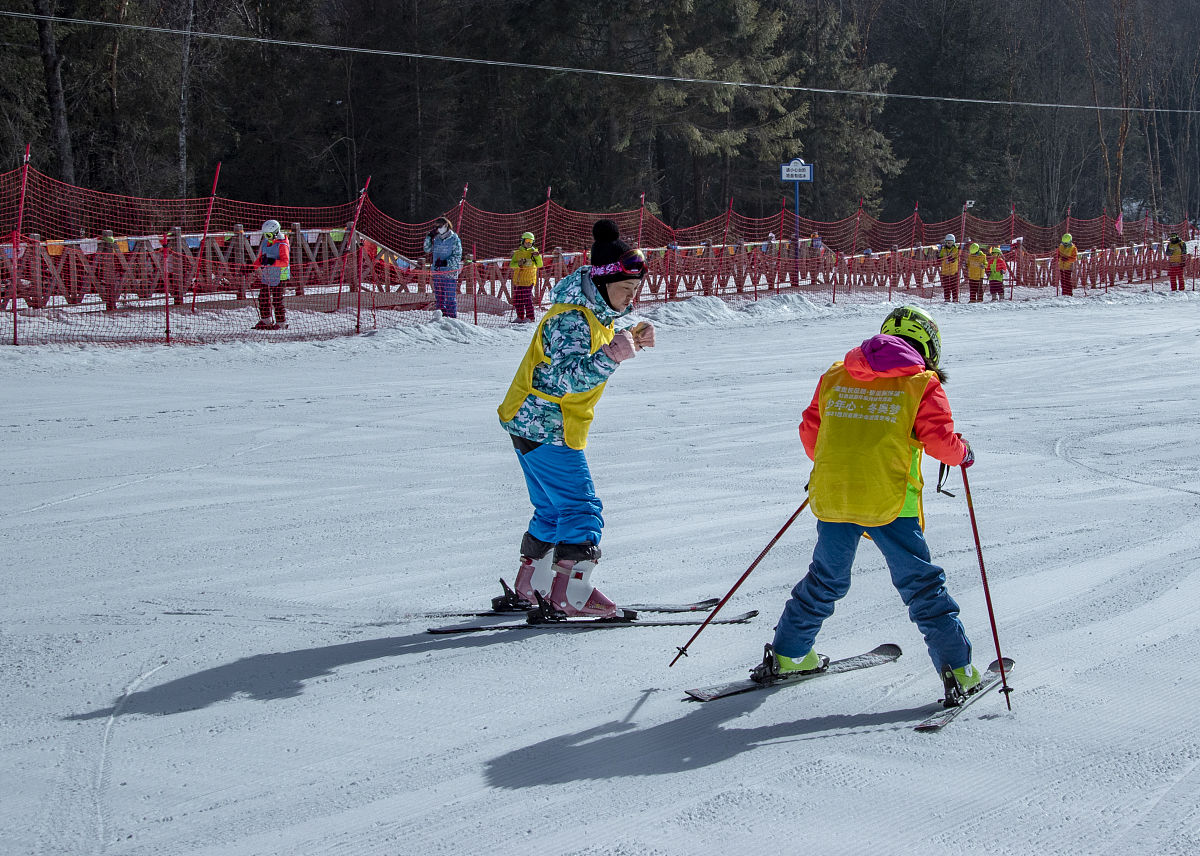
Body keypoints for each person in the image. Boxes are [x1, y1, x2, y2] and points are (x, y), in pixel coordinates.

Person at [753, 305, 982, 701]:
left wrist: (841, 467)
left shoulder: (837, 374)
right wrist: (963, 453)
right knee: (921, 586)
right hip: (891, 502)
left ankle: (790, 653)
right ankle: (958, 669)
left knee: (826, 579)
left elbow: (812, 432)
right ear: (930, 346)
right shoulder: (922, 383)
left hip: (835, 494)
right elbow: (941, 444)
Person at [497, 219, 656, 617]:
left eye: (635, 291)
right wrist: (613, 355)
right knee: (582, 509)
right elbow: (560, 379)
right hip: (549, 427)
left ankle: (529, 585)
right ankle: (570, 594)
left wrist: (631, 335)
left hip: (531, 424)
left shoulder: (590, 311)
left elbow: (594, 339)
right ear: (601, 284)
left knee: (552, 509)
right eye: (624, 291)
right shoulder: (571, 319)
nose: (629, 298)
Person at [253, 219, 290, 329]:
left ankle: (281, 323)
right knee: (263, 297)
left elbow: (285, 262)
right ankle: (266, 320)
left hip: (280, 277)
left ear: (276, 232)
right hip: (268, 275)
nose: (266, 237)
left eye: (268, 235)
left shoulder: (282, 244)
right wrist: (250, 268)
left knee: (277, 300)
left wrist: (272, 261)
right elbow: (261, 259)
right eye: (265, 235)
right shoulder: (266, 242)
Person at [424, 216, 462, 318]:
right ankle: (440, 319)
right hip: (437, 273)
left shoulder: (454, 239)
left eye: (439, 226)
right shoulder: (436, 239)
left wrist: (446, 263)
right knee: (439, 298)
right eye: (435, 227)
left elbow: (457, 256)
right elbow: (427, 249)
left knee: (450, 298)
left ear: (446, 226)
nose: (438, 229)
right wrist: (428, 237)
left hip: (449, 273)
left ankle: (451, 319)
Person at [509, 231, 544, 322]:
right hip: (518, 279)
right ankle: (520, 316)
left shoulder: (534, 252)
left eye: (531, 241)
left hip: (529, 280)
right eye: (527, 240)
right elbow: (512, 265)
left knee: (526, 299)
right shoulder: (517, 253)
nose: (529, 243)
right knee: (518, 299)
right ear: (523, 241)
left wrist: (537, 256)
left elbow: (540, 264)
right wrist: (518, 264)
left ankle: (530, 317)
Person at [938, 234, 960, 302]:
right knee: (946, 287)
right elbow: (940, 257)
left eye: (950, 243)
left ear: (953, 242)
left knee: (954, 286)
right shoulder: (943, 250)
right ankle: (947, 298)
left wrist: (953, 260)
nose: (949, 244)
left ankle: (955, 298)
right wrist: (939, 258)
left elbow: (957, 258)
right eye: (947, 242)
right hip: (945, 271)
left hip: (953, 271)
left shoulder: (956, 250)